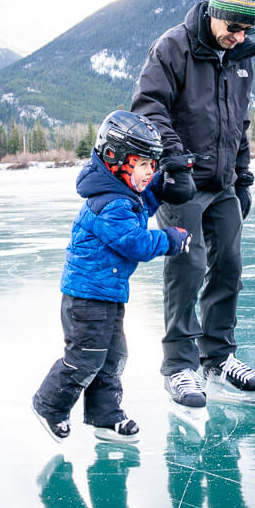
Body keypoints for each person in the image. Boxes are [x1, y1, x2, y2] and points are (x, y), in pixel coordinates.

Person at [131, 0, 255, 408]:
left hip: (224, 182)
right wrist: (176, 162)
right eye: (235, 27)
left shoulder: (241, 56)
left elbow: (238, 124)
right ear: (217, 15)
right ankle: (178, 366)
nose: (240, 36)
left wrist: (242, 179)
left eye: (248, 30)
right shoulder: (173, 48)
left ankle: (218, 357)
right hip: (182, 183)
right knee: (187, 268)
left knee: (228, 266)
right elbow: (148, 107)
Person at [31, 110, 191, 444]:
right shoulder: (111, 202)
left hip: (107, 294)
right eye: (144, 165)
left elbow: (139, 204)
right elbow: (134, 241)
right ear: (115, 159)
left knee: (114, 356)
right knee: (85, 359)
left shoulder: (119, 191)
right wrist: (171, 240)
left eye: (153, 165)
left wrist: (161, 185)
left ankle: (105, 416)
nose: (150, 172)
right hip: (87, 299)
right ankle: (49, 405)